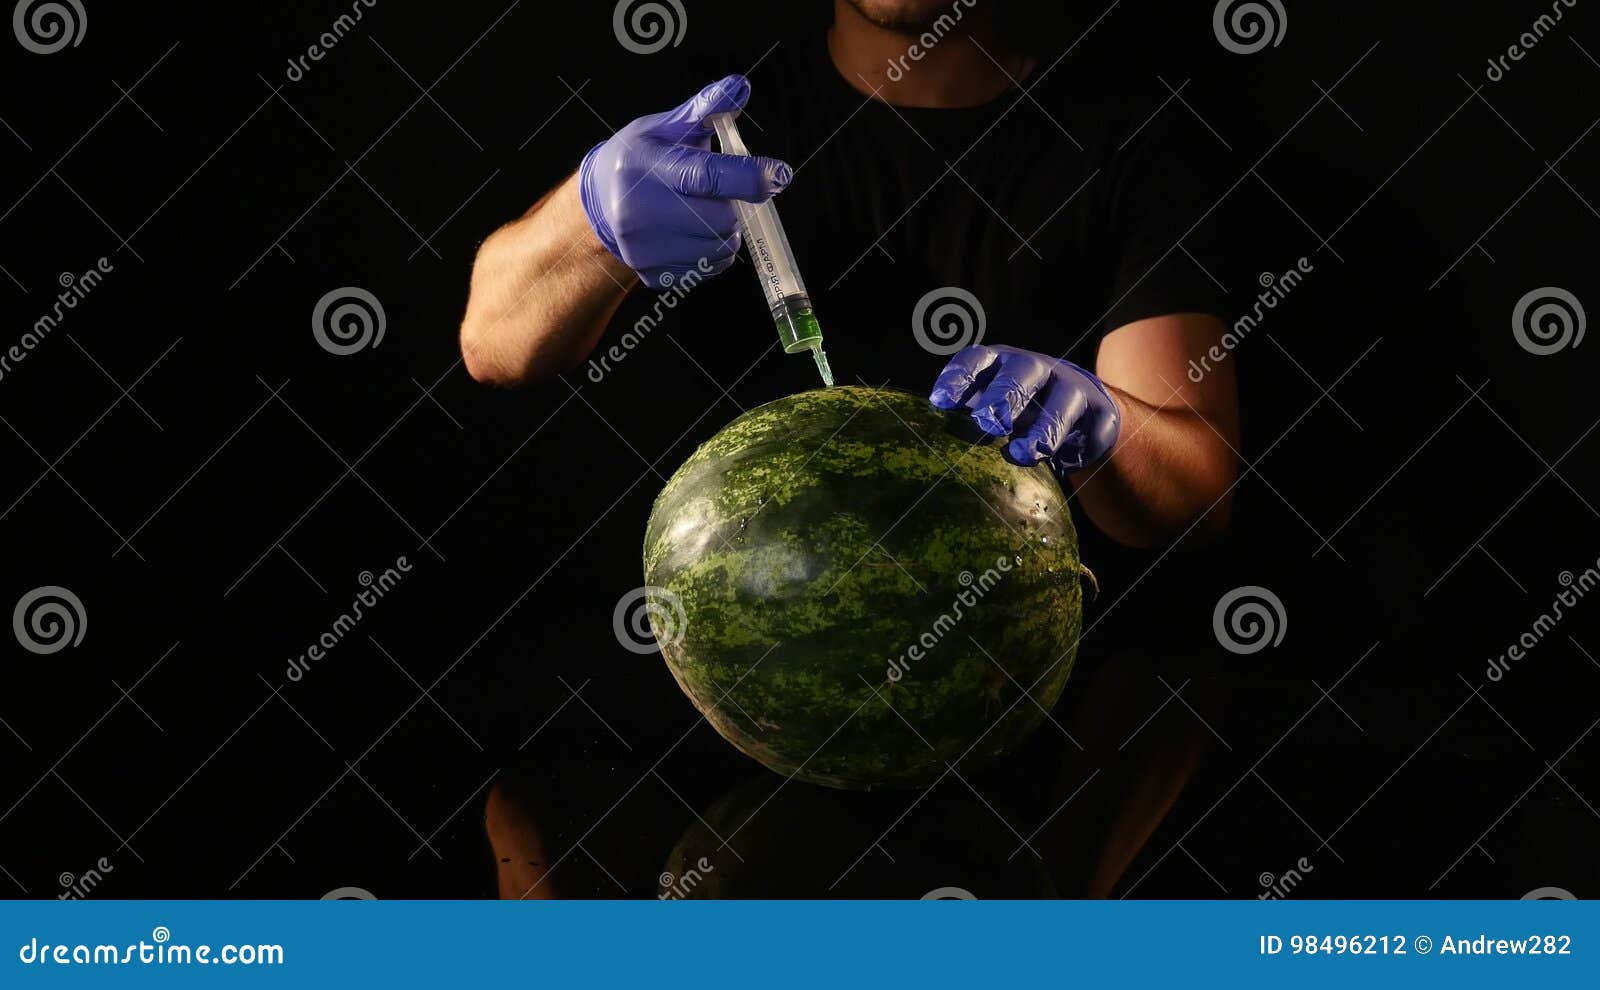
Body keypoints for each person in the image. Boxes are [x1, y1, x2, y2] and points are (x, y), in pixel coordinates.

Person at [463, 0, 1240, 897]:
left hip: (1017, 740)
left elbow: (1199, 499)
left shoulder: (1133, 140)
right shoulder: (711, 111)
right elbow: (494, 343)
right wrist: (589, 222)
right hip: (687, 738)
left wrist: (1109, 425)